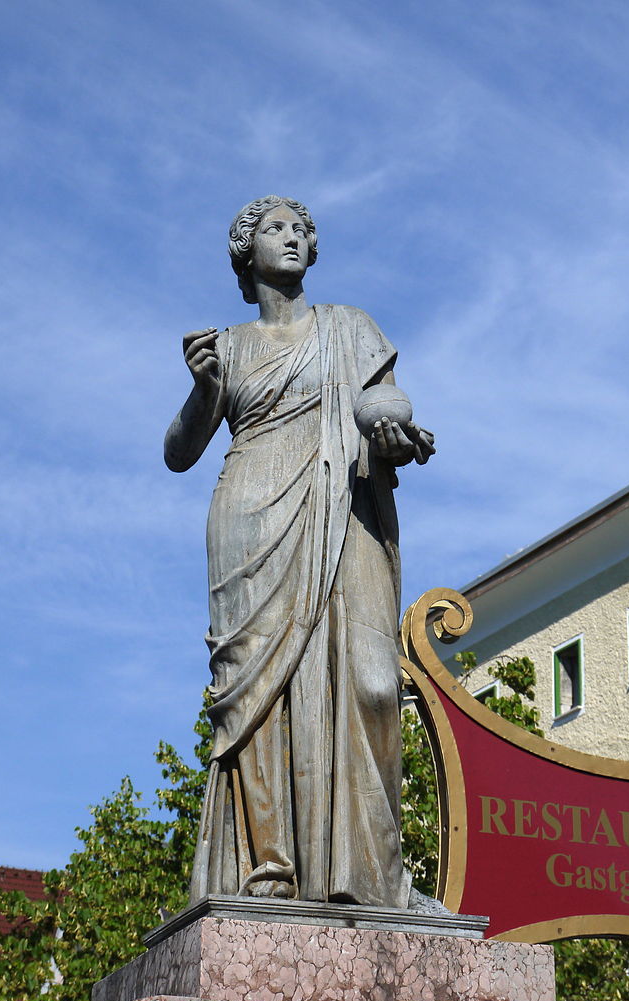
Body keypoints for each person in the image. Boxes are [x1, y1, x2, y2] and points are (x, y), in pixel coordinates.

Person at [165, 195, 435, 908]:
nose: (290, 237)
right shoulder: (226, 347)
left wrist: (394, 438)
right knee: (257, 694)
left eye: (299, 230)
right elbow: (178, 451)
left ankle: (370, 873)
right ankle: (271, 865)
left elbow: (388, 408)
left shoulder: (349, 330)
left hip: (341, 503)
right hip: (249, 511)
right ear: (245, 254)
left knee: (373, 682)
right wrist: (204, 393)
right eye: (273, 229)